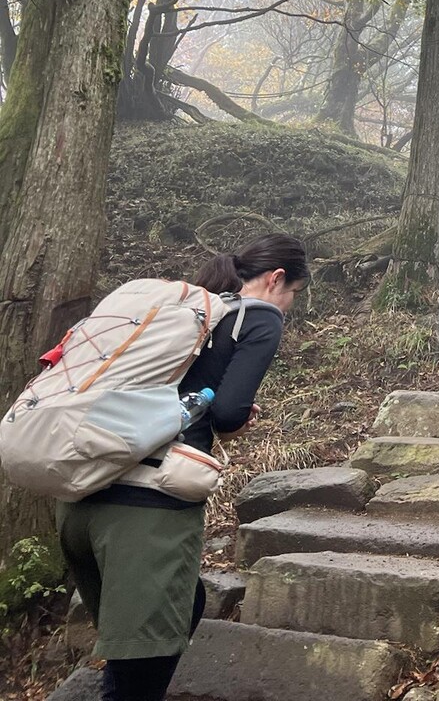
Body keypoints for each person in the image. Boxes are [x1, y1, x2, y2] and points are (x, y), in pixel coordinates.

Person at [54, 234, 309, 701]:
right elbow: (230, 411)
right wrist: (236, 417)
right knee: (139, 674)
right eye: (293, 292)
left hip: (79, 497)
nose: (289, 304)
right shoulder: (260, 316)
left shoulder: (192, 312)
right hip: (145, 506)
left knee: (181, 610)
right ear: (276, 280)